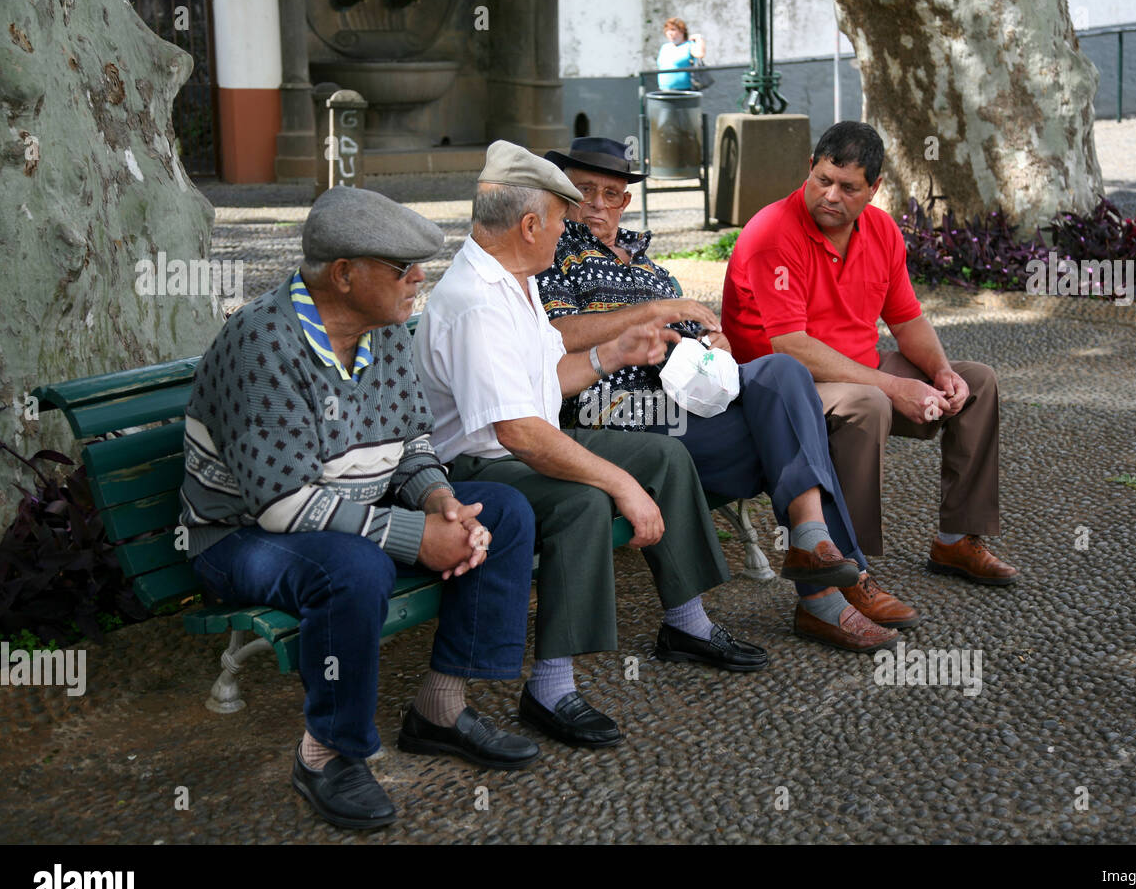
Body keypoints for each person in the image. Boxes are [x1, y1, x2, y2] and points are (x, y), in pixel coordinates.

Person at [179, 186, 540, 832]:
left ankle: (440, 709)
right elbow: (283, 506)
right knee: (354, 570)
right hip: (237, 538)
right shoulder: (266, 344)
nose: (419, 280)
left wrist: (442, 501)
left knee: (503, 514)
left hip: (337, 518)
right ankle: (327, 755)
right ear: (344, 275)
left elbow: (411, 444)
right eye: (403, 269)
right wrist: (416, 536)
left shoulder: (387, 330)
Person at [413, 141, 769, 751]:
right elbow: (518, 433)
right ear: (529, 225)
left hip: (523, 440)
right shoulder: (476, 302)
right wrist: (619, 484)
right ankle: (551, 686)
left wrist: (611, 355)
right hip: (475, 464)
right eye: (560, 217)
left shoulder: (512, 281)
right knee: (582, 501)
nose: (569, 229)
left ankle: (687, 622)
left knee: (664, 454)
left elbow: (544, 380)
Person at [537, 136, 916, 653]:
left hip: (690, 403)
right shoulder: (552, 251)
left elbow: (696, 331)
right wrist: (653, 314)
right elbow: (556, 333)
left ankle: (810, 541)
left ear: (627, 201)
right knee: (794, 436)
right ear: (562, 194)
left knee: (783, 374)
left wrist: (714, 342)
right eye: (585, 191)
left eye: (612, 193)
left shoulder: (644, 261)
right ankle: (827, 595)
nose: (599, 205)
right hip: (619, 412)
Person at [722, 121, 1018, 585]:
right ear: (809, 169)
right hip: (779, 386)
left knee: (976, 381)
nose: (831, 196)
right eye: (822, 180)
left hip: (856, 368)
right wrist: (894, 386)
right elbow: (791, 347)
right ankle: (847, 569)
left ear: (875, 188)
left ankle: (957, 540)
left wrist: (940, 372)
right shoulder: (773, 233)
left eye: (848, 187)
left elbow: (907, 320)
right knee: (870, 402)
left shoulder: (881, 231)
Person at [656, 17, 704, 91]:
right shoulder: (664, 47)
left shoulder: (689, 45)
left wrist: (699, 39)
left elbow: (700, 54)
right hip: (663, 90)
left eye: (673, 29)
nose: (670, 33)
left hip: (683, 91)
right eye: (667, 30)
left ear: (682, 31)